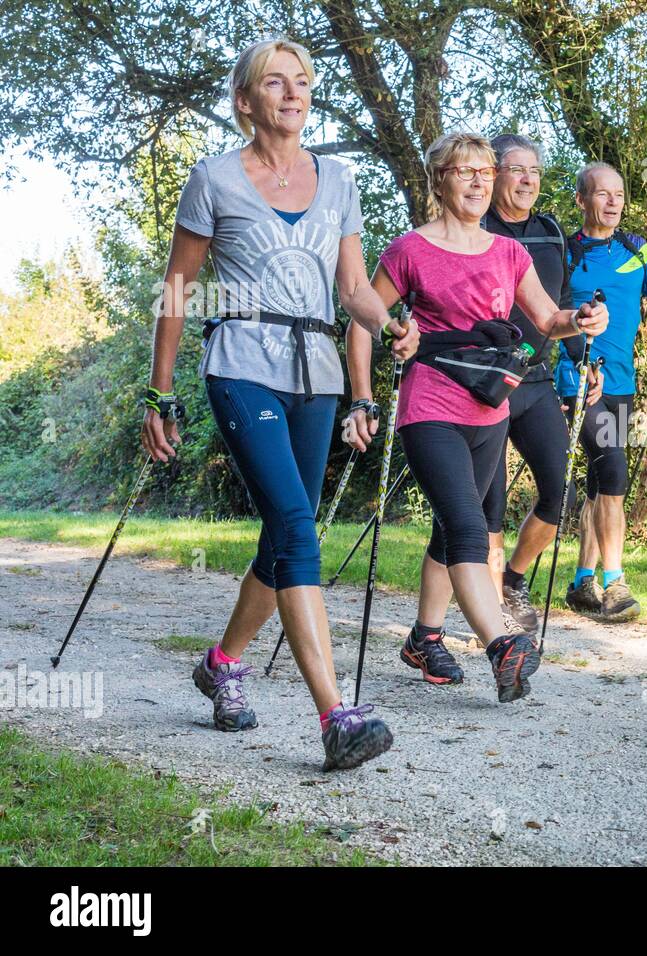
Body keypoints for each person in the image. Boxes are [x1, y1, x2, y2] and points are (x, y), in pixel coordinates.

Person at [142, 39, 418, 771]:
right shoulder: (214, 179)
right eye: (276, 82)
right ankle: (336, 715)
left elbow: (354, 287)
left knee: (281, 534)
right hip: (239, 363)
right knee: (298, 526)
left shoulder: (339, 180)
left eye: (302, 81)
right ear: (246, 101)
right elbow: (178, 288)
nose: (294, 93)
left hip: (317, 368)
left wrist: (388, 324)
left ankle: (223, 663)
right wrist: (159, 391)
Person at [345, 132, 607, 702]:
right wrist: (362, 397)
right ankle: (500, 646)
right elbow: (364, 318)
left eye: (485, 172)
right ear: (439, 179)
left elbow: (546, 318)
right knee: (468, 525)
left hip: (489, 408)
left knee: (449, 527)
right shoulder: (409, 249)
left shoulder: (509, 253)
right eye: (464, 172)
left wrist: (582, 320)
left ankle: (424, 636)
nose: (478, 182)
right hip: (430, 403)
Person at [556, 162, 647, 622]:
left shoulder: (637, 249)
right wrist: (576, 361)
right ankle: (615, 583)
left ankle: (582, 582)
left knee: (600, 483)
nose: (613, 202)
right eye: (602, 194)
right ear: (582, 200)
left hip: (621, 382)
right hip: (577, 381)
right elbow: (549, 314)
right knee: (613, 469)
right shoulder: (564, 252)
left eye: (618, 194)